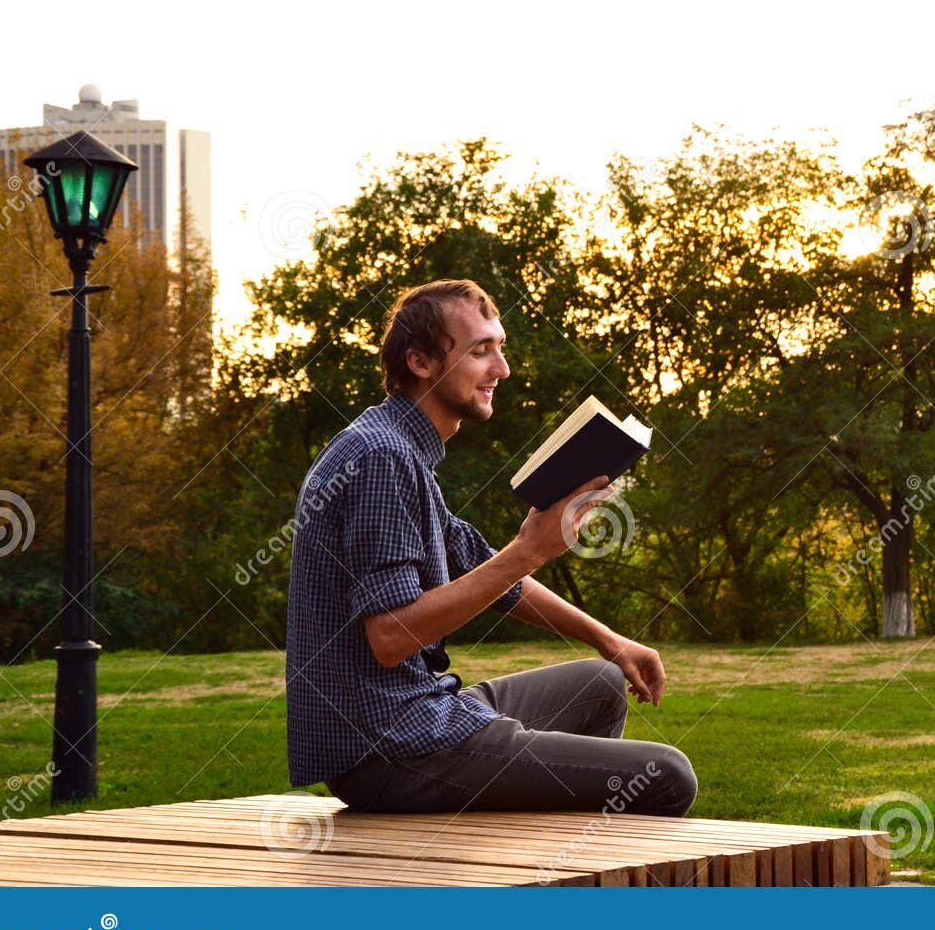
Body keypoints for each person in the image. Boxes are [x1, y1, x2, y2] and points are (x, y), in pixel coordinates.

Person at [284, 278, 697, 817]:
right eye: (481, 351)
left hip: (420, 715)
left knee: (600, 681)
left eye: (499, 347)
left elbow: (486, 570)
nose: (501, 369)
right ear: (421, 362)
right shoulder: (382, 458)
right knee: (664, 776)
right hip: (389, 748)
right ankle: (561, 885)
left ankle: (554, 855)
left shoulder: (400, 449)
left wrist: (609, 639)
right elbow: (389, 638)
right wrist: (529, 550)